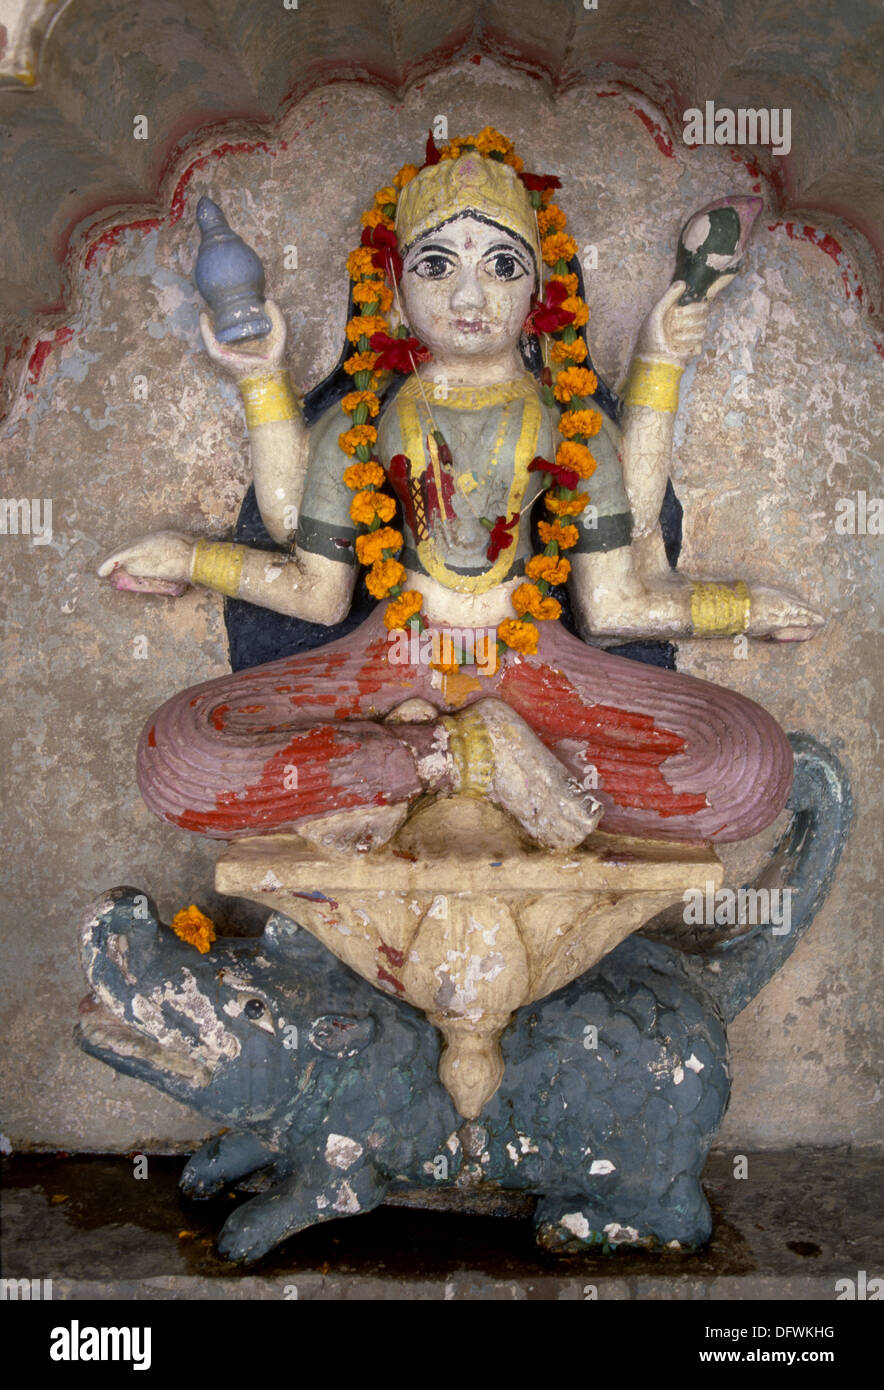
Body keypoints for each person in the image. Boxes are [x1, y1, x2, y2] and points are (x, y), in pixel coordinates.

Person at [99, 130, 821, 851]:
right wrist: (250, 406)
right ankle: (475, 759)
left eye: (503, 265)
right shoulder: (363, 420)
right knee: (180, 753)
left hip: (535, 661)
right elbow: (315, 586)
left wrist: (740, 606)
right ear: (395, 287)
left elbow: (615, 603)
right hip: (394, 657)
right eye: (437, 266)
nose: (470, 296)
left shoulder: (567, 418)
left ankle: (410, 766)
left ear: (539, 288)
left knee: (748, 765)